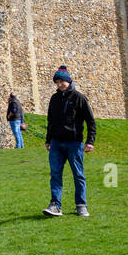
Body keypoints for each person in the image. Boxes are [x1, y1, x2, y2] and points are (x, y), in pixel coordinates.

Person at [44, 66, 96, 217]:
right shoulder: (54, 99)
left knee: (78, 174)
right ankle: (55, 205)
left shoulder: (79, 98)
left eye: (62, 81)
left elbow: (90, 121)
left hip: (74, 142)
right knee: (55, 174)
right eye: (57, 82)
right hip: (56, 143)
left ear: (68, 81)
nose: (59, 84)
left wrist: (90, 141)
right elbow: (50, 120)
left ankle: (81, 205)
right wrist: (48, 140)